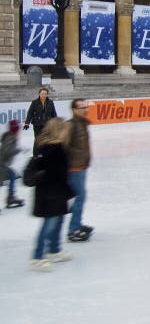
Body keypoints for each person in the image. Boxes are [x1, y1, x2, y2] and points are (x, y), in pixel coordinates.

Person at [30, 118, 74, 272]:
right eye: (64, 129)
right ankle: (37, 257)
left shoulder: (47, 147)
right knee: (49, 225)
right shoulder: (54, 149)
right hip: (51, 194)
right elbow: (56, 173)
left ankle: (54, 250)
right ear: (58, 130)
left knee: (58, 221)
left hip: (55, 193)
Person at [64, 99, 93, 242]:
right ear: (74, 110)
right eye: (82, 108)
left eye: (85, 107)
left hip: (81, 166)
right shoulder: (70, 125)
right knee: (80, 196)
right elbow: (63, 146)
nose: (85, 109)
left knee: (80, 196)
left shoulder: (82, 124)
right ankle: (73, 229)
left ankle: (77, 224)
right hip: (74, 167)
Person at [1, 120, 24, 210]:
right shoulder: (10, 138)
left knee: (12, 175)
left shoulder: (10, 137)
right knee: (11, 175)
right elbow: (6, 151)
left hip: (3, 165)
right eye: (18, 129)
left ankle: (11, 197)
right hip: (1, 165)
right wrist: (17, 150)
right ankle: (11, 198)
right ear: (15, 130)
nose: (19, 131)